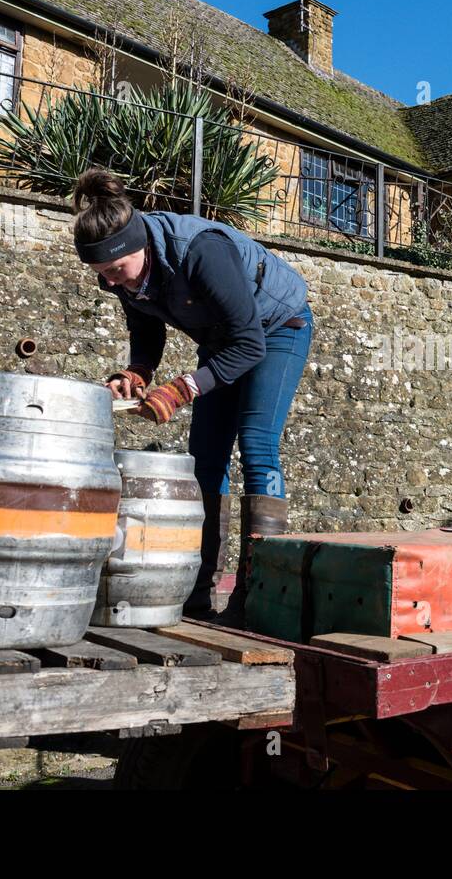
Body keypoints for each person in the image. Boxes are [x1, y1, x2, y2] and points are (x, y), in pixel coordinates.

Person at [71, 168, 312, 623]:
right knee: (204, 458)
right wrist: (138, 370)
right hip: (226, 339)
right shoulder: (125, 273)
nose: (110, 283)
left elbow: (250, 345)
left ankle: (257, 594)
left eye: (115, 270)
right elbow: (145, 326)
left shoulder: (202, 252)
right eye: (100, 275)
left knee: (257, 446)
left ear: (136, 245)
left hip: (278, 328)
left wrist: (183, 389)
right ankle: (197, 590)